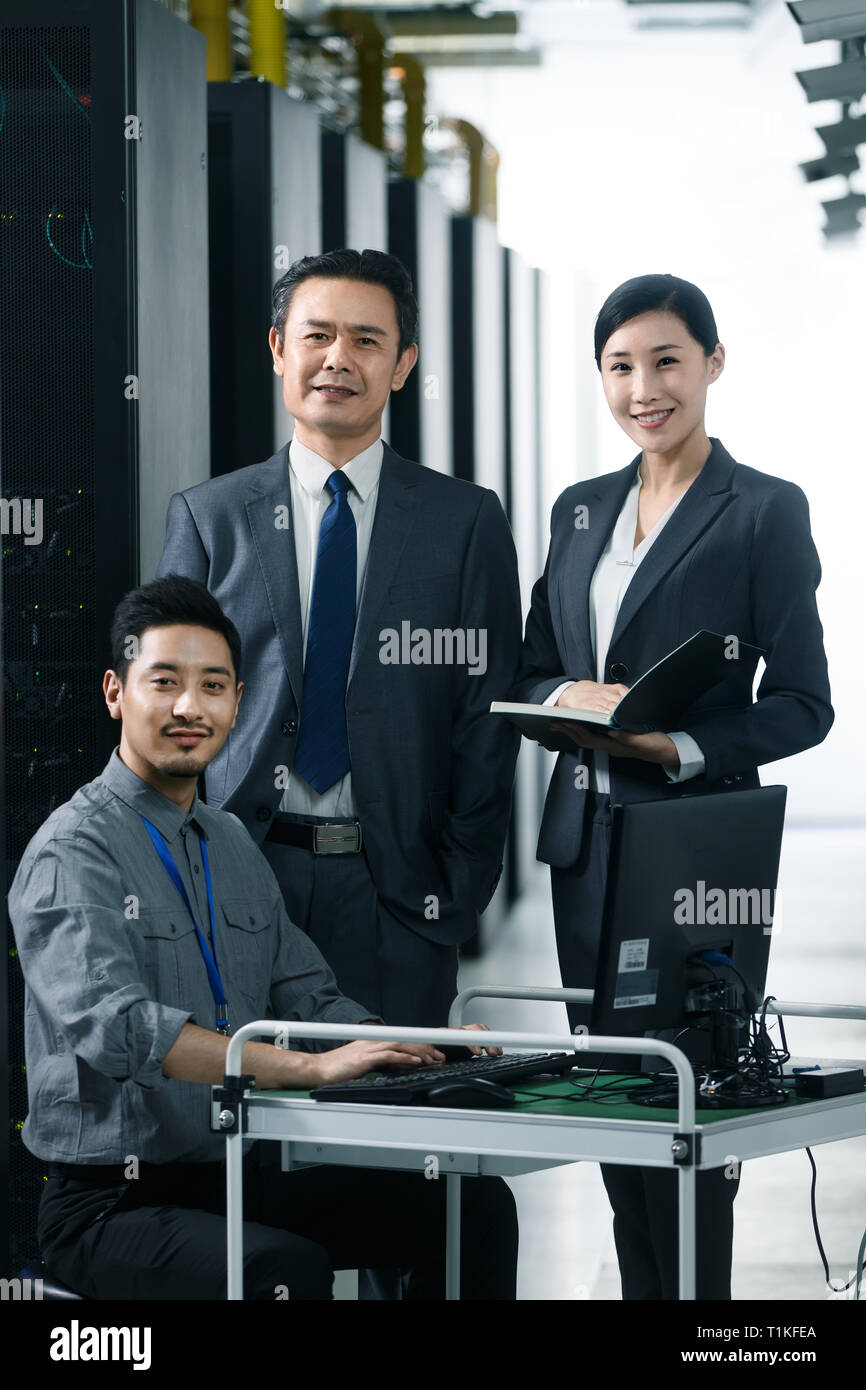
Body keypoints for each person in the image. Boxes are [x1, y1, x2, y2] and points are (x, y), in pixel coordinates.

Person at [8, 575, 518, 1301]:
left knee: (470, 1206)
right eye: (165, 682)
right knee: (283, 1273)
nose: (191, 706)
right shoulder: (73, 850)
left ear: (238, 703)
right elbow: (118, 1031)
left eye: (213, 685)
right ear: (116, 693)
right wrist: (306, 1070)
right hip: (112, 1204)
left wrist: (412, 1045)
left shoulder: (231, 841)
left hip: (237, 1175)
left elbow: (307, 996)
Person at [511, 273, 833, 1300]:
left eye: (663, 361)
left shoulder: (761, 511)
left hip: (695, 847)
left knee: (692, 1110)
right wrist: (572, 697)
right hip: (584, 847)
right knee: (609, 1097)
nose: (641, 387)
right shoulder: (575, 513)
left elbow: (801, 702)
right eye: (618, 366)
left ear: (710, 363)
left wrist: (678, 747)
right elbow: (528, 666)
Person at [155, 248, 522, 1033]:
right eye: (316, 335)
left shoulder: (465, 522)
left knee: (381, 1135)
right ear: (279, 348)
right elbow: (165, 714)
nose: (337, 359)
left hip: (396, 892)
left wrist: (451, 897)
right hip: (238, 878)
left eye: (366, 340)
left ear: (402, 364)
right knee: (241, 1133)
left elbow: (486, 719)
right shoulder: (208, 518)